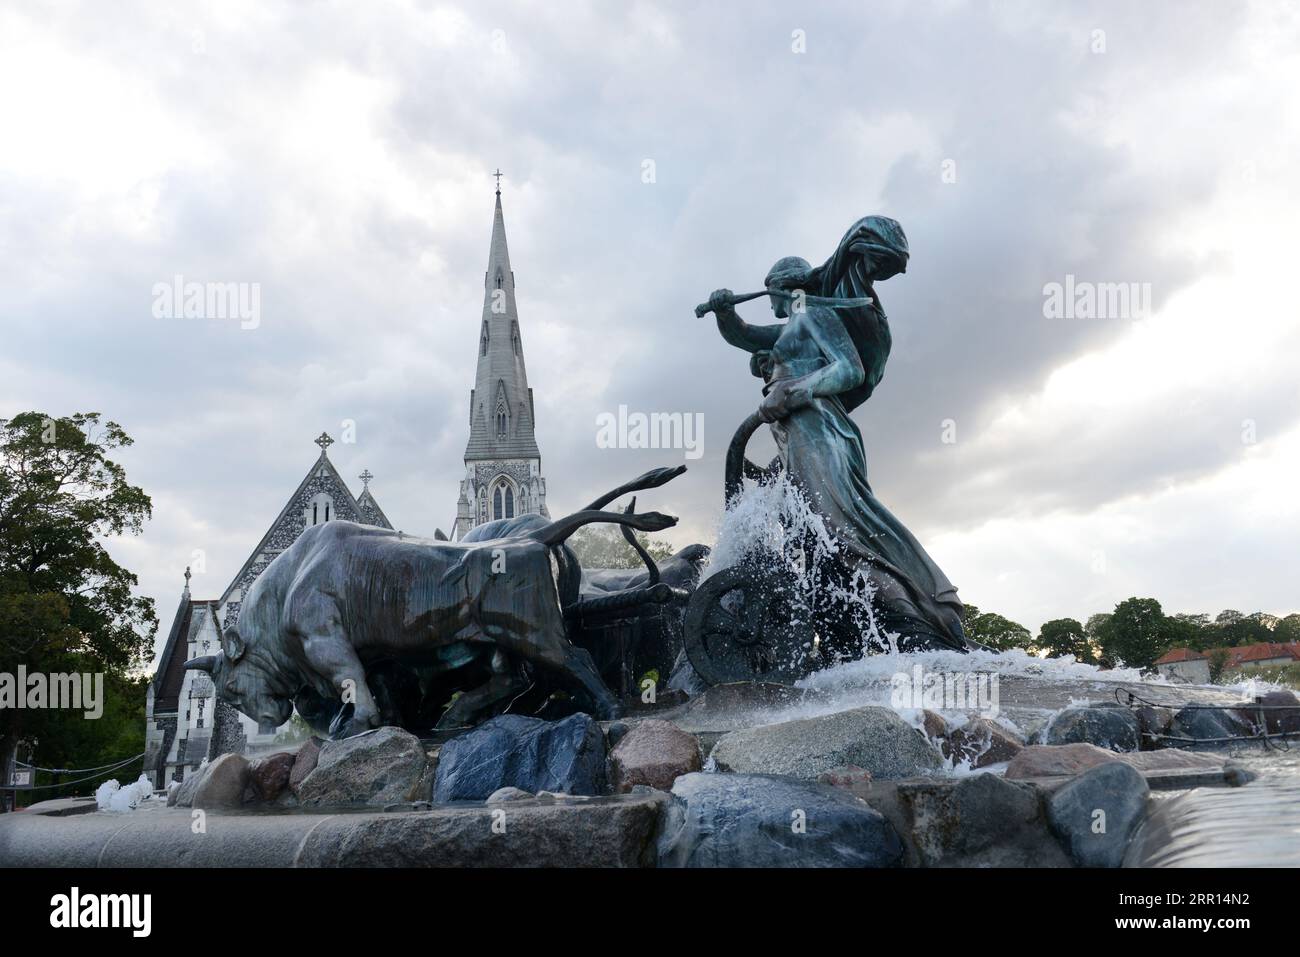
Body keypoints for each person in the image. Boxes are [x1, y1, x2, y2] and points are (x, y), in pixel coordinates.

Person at [704, 215, 969, 650]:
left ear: (782, 287)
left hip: (819, 432)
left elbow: (850, 369)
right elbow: (746, 335)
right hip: (800, 436)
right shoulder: (795, 324)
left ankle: (917, 627)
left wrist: (793, 391)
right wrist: (724, 311)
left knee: (841, 532)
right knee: (819, 535)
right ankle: (850, 635)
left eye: (770, 289)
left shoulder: (814, 315)